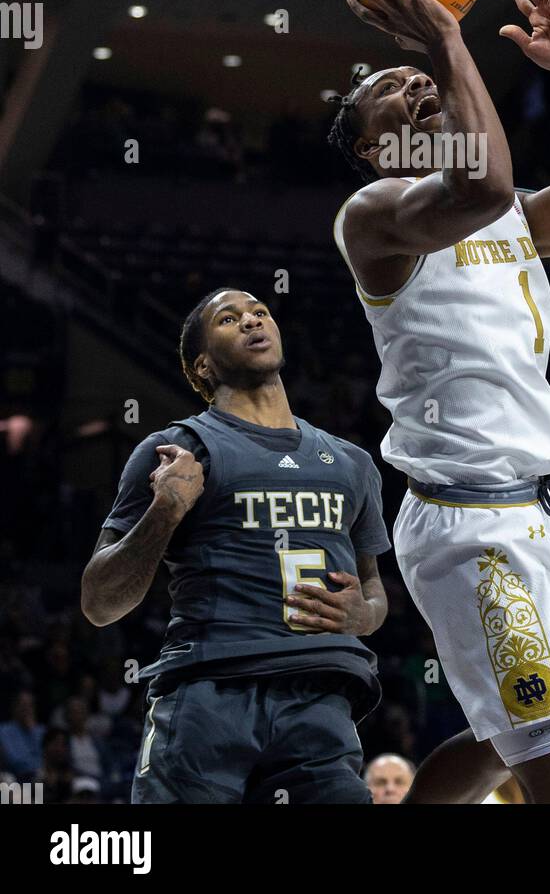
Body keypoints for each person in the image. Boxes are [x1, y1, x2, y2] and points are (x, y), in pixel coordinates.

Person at [329, 0, 550, 803]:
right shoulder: (375, 218)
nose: (414, 88)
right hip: (470, 525)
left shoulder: (514, 211)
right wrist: (444, 32)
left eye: (416, 78)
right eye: (389, 98)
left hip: (520, 514)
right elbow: (478, 186)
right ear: (373, 151)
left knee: (495, 745)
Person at [80, 289, 391, 804]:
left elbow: (375, 589)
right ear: (202, 366)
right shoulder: (176, 449)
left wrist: (364, 615)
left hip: (319, 700)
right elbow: (99, 602)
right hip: (208, 695)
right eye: (230, 319)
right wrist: (165, 512)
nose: (251, 322)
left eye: (260, 313)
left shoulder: (352, 462)